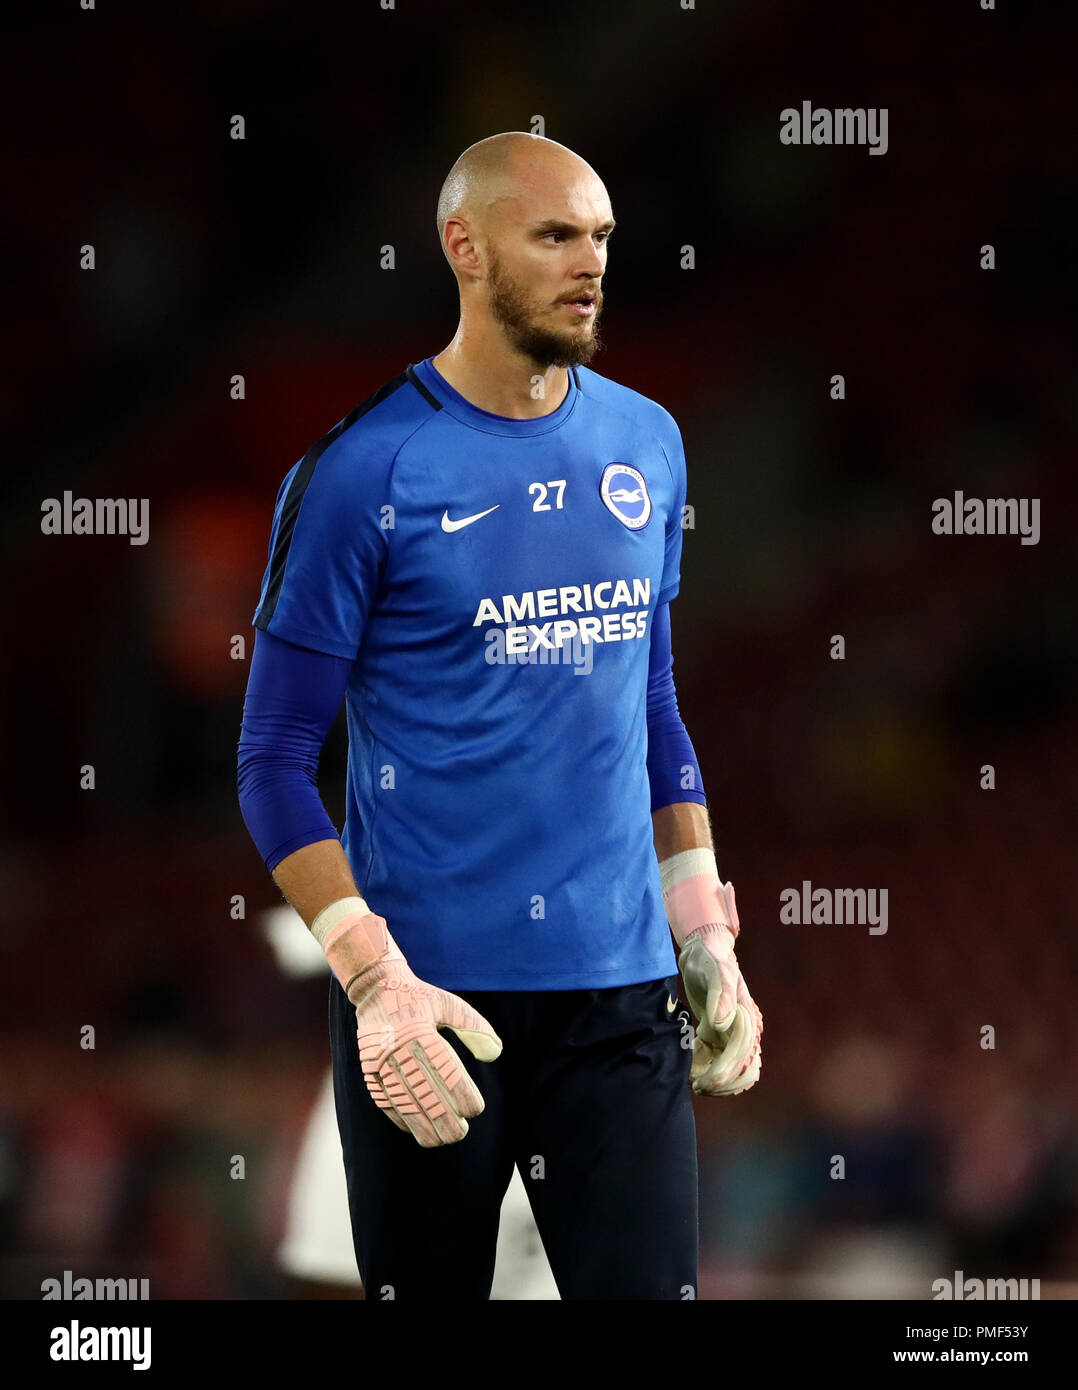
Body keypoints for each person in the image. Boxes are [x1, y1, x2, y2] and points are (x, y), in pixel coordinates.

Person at [238, 131, 762, 1301]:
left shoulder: (648, 442)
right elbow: (271, 760)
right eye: (556, 235)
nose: (590, 264)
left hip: (623, 1003)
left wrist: (704, 932)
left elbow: (655, 709)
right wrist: (374, 982)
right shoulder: (362, 474)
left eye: (602, 238)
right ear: (462, 247)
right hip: (431, 1003)